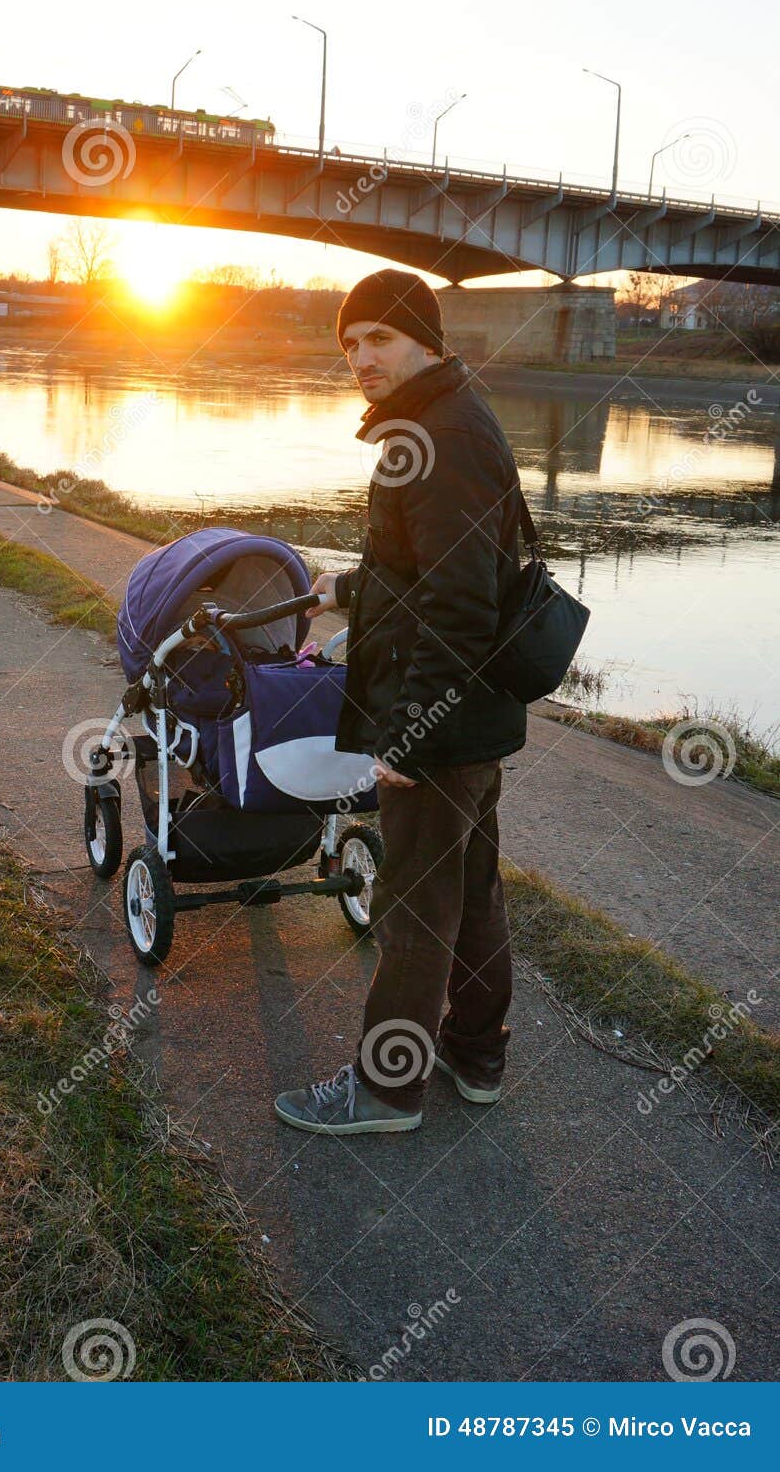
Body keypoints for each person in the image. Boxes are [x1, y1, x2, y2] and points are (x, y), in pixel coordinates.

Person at [274, 268, 527, 1135]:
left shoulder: (441, 435)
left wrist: (409, 738)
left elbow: (458, 608)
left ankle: (385, 1091)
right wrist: (342, 588)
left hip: (442, 720)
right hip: (474, 712)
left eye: (377, 337)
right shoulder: (442, 419)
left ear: (425, 338)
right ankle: (474, 1053)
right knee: (470, 887)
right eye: (348, 343)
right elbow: (426, 572)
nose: (359, 357)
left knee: (413, 907)